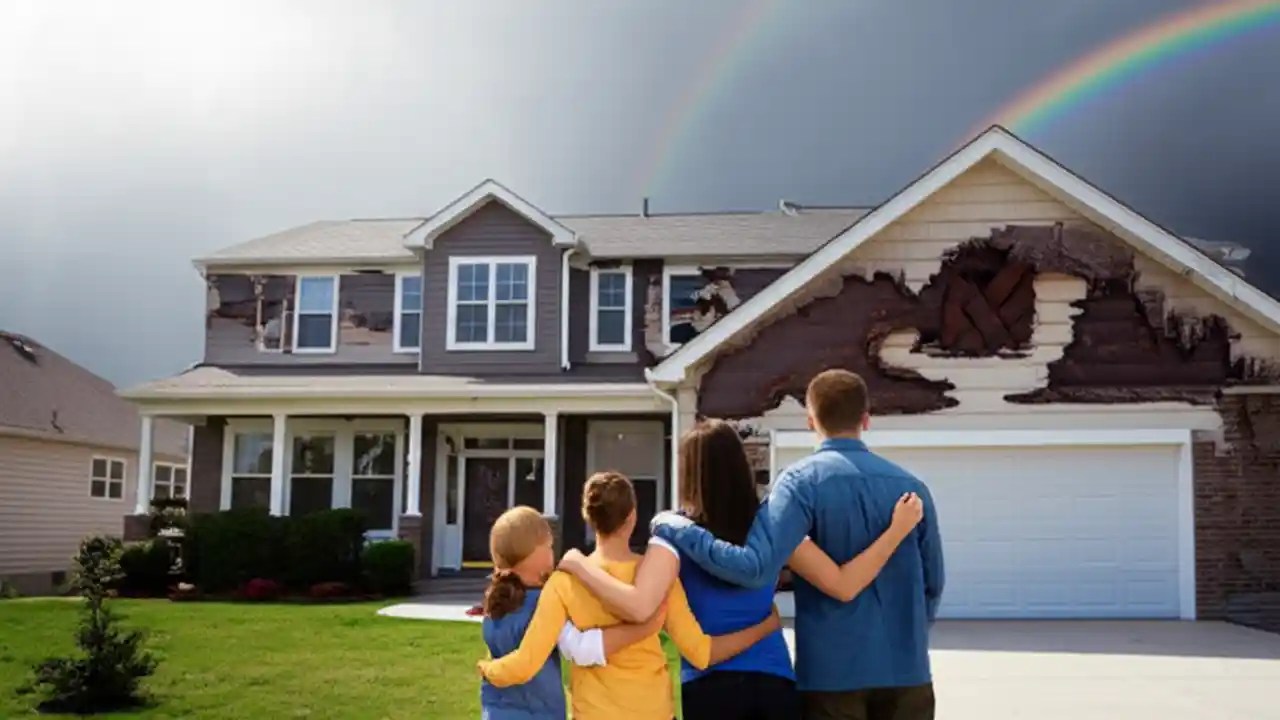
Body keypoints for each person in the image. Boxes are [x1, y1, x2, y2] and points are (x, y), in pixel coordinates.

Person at [558, 419, 924, 720]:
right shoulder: (773, 530)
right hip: (773, 683)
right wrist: (896, 531)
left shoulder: (673, 536)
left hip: (709, 687)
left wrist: (578, 564)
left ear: (688, 473)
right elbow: (844, 585)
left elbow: (639, 606)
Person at [651, 370, 945, 720]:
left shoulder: (799, 484)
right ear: (866, 420)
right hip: (906, 670)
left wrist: (679, 528)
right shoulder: (912, 488)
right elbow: (933, 582)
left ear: (810, 420)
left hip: (831, 674)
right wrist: (909, 634)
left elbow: (755, 567)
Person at [478, 472, 781, 720]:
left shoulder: (564, 582)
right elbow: (701, 653)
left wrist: (490, 667)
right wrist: (764, 627)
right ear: (632, 517)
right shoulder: (658, 579)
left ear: (588, 517)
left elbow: (539, 653)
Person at [478, 506, 663, 719]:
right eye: (548, 547)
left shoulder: (496, 603)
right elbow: (579, 647)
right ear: (530, 555)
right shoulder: (545, 601)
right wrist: (641, 629)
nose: (552, 554)